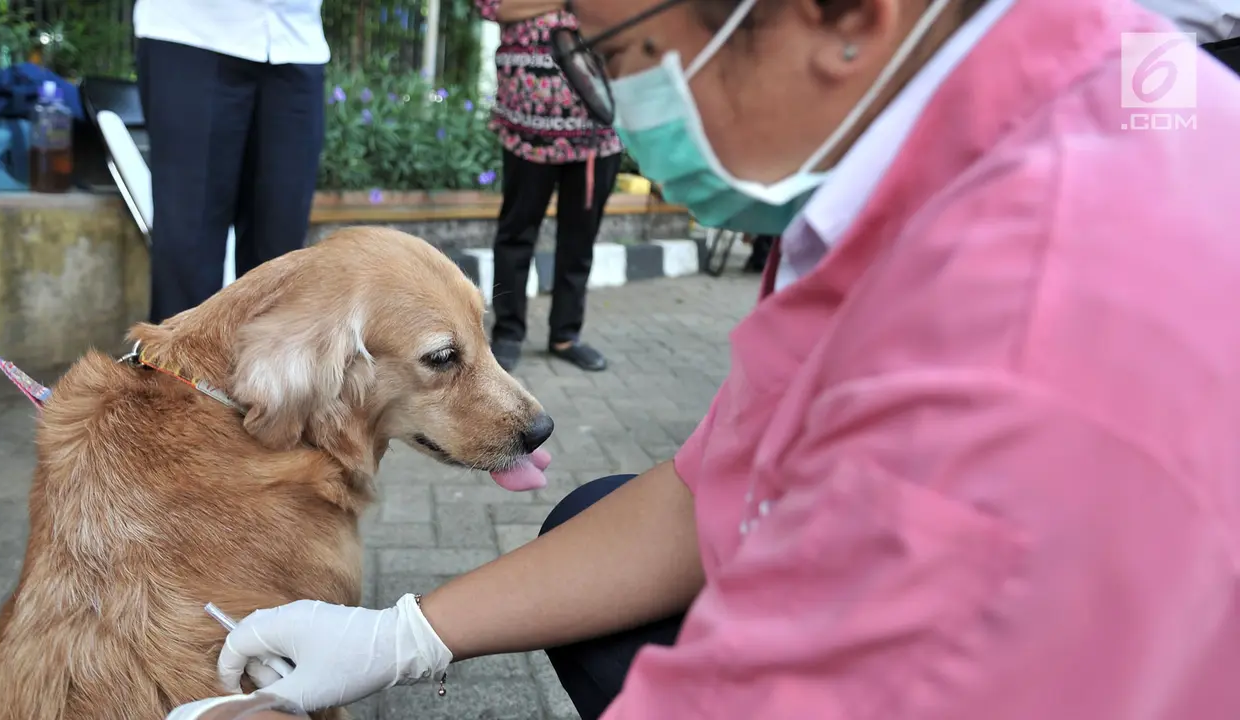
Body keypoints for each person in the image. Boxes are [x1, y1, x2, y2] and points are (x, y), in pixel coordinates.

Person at [171, 0, 1240, 718]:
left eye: (623, 58)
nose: (622, 118)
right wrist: (403, 635)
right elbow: (717, 486)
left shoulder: (1018, 347)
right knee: (593, 515)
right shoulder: (981, 128)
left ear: (844, 17)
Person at [133, 0, 328, 324]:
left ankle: (260, 362)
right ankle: (181, 359)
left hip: (295, 40)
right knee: (189, 256)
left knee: (279, 259)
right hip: (192, 32)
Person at [479, 0, 624, 373]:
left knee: (580, 240)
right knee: (516, 234)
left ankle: (566, 335)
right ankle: (508, 333)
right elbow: (496, 7)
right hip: (526, 130)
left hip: (597, 131)